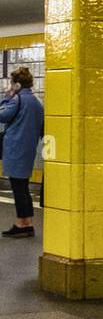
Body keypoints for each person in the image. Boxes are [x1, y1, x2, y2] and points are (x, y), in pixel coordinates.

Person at [0, 67, 45, 239]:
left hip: (15, 148)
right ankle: (28, 222)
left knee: (18, 188)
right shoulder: (36, 101)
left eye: (12, 83)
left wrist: (6, 98)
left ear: (17, 84)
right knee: (23, 187)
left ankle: (21, 223)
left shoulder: (16, 99)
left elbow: (2, 116)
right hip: (28, 148)